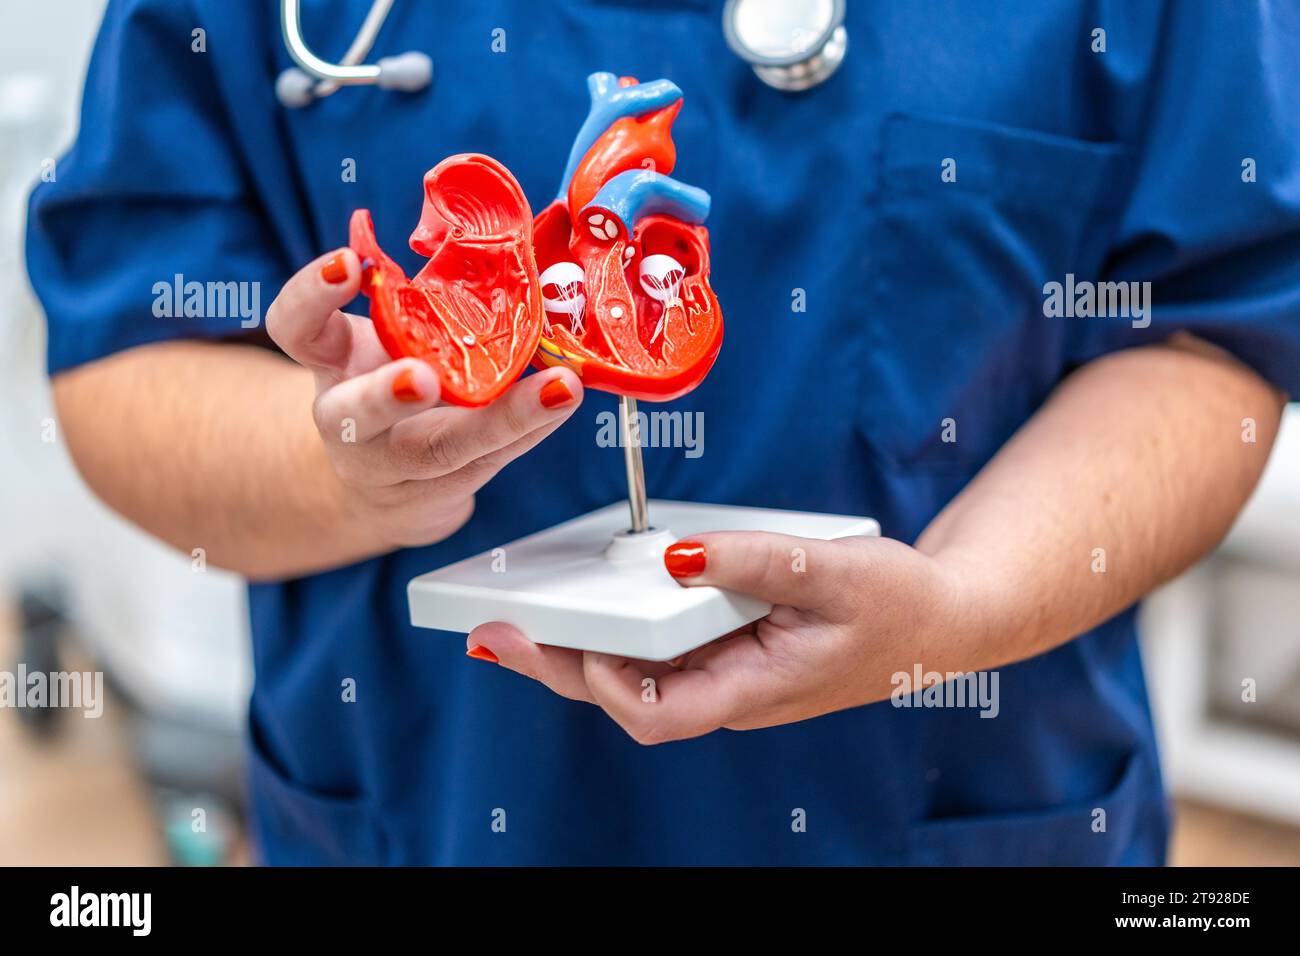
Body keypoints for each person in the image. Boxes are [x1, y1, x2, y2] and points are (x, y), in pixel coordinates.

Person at [26, 0, 1300, 865]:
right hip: (427, 811)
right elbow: (125, 355)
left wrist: (961, 608)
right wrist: (347, 467)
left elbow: (1207, 332)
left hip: (955, 809)